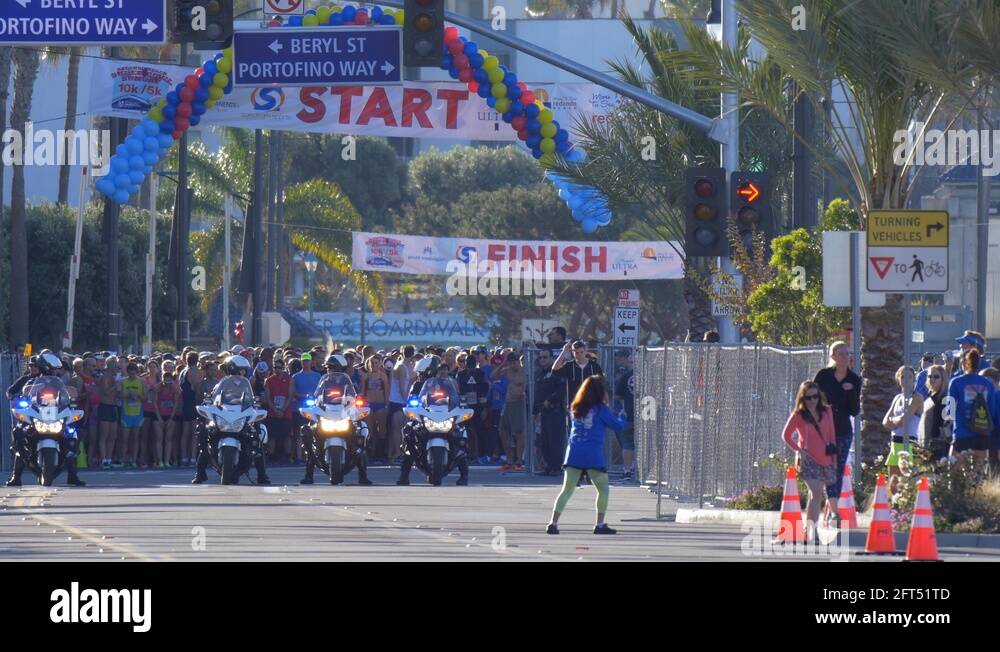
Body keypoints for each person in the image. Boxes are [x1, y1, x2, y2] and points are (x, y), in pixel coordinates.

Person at [546, 375, 625, 535]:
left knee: (566, 490)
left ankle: (553, 523)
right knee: (603, 489)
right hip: (592, 454)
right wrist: (623, 416)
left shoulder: (575, 407)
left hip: (574, 453)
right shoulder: (601, 410)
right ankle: (600, 524)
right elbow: (617, 426)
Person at [5, 352, 86, 487]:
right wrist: (22, 395)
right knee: (19, 432)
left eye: (55, 368)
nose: (54, 370)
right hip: (37, 416)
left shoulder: (59, 382)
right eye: (52, 368)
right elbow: (25, 390)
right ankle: (16, 476)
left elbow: (69, 393)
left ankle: (73, 475)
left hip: (55, 416)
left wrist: (71, 394)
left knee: (73, 434)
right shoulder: (31, 380)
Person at [193, 355, 270, 485]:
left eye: (244, 369)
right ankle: (200, 473)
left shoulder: (246, 383)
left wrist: (254, 404)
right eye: (241, 369)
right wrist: (209, 402)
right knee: (205, 435)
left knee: (257, 436)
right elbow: (214, 397)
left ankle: (262, 474)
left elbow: (251, 399)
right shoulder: (222, 383)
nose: (243, 372)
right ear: (232, 368)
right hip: (225, 414)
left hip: (240, 414)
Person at [781, 381, 839, 542]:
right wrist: (799, 450)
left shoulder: (826, 412)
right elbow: (786, 435)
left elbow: (832, 436)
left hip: (826, 460)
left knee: (816, 496)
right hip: (808, 461)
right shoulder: (799, 415)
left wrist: (834, 459)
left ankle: (809, 531)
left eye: (815, 396)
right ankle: (812, 532)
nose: (812, 400)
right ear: (803, 398)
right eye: (808, 398)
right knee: (816, 492)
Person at [812, 341, 861, 518]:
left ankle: (834, 510)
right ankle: (826, 503)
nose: (845, 357)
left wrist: (850, 393)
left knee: (837, 469)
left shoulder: (854, 380)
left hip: (842, 430)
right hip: (822, 430)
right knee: (824, 468)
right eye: (841, 354)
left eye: (847, 354)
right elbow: (812, 399)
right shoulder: (823, 376)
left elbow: (855, 411)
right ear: (833, 356)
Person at [948, 349, 997, 475]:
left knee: (954, 474)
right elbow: (992, 411)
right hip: (982, 434)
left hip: (962, 434)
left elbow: (949, 410)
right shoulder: (988, 384)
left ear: (963, 363)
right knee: (978, 475)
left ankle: (958, 495)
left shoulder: (956, 382)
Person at [882, 366, 923, 496]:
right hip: (895, 444)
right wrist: (896, 420)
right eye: (903, 377)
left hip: (909, 444)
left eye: (910, 377)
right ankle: (895, 509)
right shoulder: (897, 398)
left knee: (907, 481)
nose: (906, 380)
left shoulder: (917, 397)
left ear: (914, 380)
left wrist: (894, 421)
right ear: (898, 379)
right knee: (893, 482)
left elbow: (904, 420)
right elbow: (885, 422)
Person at [492, 350, 527, 471]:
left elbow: (525, 388)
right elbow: (493, 376)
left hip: (519, 403)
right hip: (508, 404)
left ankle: (519, 460)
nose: (513, 365)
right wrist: (503, 363)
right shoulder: (508, 371)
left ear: (519, 361)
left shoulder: (524, 372)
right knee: (502, 431)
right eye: (511, 363)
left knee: (519, 433)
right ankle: (510, 459)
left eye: (514, 363)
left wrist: (522, 394)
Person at [533, 348, 566, 476]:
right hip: (543, 411)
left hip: (555, 410)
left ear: (552, 358)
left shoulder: (557, 372)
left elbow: (561, 390)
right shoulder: (539, 373)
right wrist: (535, 410)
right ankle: (548, 466)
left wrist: (550, 400)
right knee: (544, 440)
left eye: (545, 357)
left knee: (555, 440)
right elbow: (538, 392)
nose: (542, 360)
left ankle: (556, 467)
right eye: (540, 357)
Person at [455, 350, 490, 461]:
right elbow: (458, 390)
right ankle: (467, 452)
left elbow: (486, 388)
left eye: (473, 366)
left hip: (478, 406)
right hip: (465, 407)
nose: (471, 368)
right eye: (469, 366)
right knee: (466, 430)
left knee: (480, 431)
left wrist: (484, 407)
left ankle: (482, 453)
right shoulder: (460, 375)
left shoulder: (481, 374)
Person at [551, 340, 603, 409]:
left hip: (591, 405)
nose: (579, 355)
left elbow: (601, 384)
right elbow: (554, 370)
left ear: (585, 351)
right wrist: (564, 352)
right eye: (576, 352)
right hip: (574, 405)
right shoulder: (569, 365)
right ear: (572, 353)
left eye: (581, 352)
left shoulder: (594, 366)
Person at [388, 345, 417, 465]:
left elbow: (409, 384)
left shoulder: (407, 366)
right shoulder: (401, 367)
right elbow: (401, 388)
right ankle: (398, 454)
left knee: (404, 429)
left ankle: (402, 453)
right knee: (397, 429)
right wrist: (407, 402)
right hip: (397, 401)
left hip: (402, 401)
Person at [291, 353, 322, 465]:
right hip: (300, 408)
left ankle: (315, 455)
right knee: (300, 433)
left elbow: (320, 390)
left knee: (317, 432)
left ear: (311, 362)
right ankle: (299, 457)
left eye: (308, 360)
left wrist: (314, 395)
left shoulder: (317, 376)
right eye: (304, 360)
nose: (306, 362)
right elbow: (293, 392)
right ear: (301, 362)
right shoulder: (296, 376)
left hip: (314, 408)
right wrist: (302, 395)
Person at [917, 364, 951, 462]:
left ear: (943, 379)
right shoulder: (929, 399)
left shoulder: (947, 399)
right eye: (929, 376)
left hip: (940, 447)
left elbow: (948, 425)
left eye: (936, 376)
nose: (932, 379)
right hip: (927, 446)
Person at [263, 357, 293, 464]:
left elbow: (290, 396)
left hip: (286, 412)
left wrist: (283, 410)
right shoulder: (269, 380)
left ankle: (287, 456)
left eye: (279, 368)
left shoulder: (289, 379)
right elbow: (268, 398)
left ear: (283, 368)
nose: (277, 370)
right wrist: (276, 410)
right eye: (275, 367)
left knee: (287, 435)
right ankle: (271, 456)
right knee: (272, 436)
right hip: (273, 412)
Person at [613, 350, 637, 482]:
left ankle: (627, 470)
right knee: (646, 444)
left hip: (631, 414)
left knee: (628, 444)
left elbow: (618, 395)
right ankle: (642, 472)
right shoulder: (652, 376)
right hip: (648, 417)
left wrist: (624, 406)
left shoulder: (627, 376)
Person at [361, 354, 390, 464]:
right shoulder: (366, 376)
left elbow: (387, 391)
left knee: (381, 430)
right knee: (370, 430)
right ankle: (370, 454)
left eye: (376, 363)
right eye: (372, 363)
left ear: (380, 364)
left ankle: (380, 454)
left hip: (380, 404)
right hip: (369, 404)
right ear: (369, 364)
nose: (374, 365)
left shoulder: (383, 376)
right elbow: (363, 391)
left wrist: (387, 405)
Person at [95, 356, 121, 469]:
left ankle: (109, 459)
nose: (116, 366)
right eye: (114, 364)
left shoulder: (115, 377)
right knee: (104, 435)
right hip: (105, 406)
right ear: (109, 365)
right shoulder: (105, 377)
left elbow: (118, 394)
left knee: (113, 435)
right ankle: (104, 459)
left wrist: (119, 388)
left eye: (116, 364)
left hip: (113, 407)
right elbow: (105, 392)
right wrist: (116, 385)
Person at [120, 362, 144, 469]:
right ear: (127, 372)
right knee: (125, 439)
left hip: (137, 413)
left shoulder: (142, 382)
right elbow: (119, 396)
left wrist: (137, 395)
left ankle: (133, 460)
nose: (132, 375)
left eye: (134, 373)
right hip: (126, 413)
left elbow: (145, 398)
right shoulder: (123, 382)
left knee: (135, 438)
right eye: (130, 373)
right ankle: (124, 460)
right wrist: (129, 394)